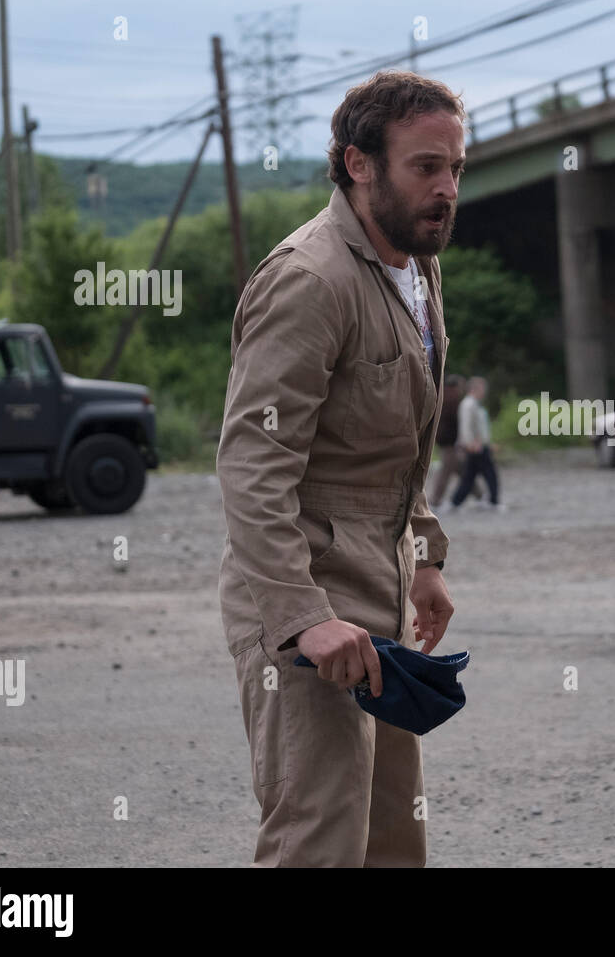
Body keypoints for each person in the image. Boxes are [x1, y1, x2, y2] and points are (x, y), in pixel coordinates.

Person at [216, 69, 463, 867]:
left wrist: (424, 555)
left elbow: (398, 437)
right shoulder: (308, 280)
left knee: (393, 837)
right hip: (306, 595)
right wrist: (300, 617)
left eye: (456, 167)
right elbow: (252, 468)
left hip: (383, 585)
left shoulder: (414, 268)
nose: (447, 189)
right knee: (319, 839)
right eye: (426, 167)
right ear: (359, 164)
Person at [449, 376, 500, 510]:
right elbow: (466, 426)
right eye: (482, 388)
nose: (484, 392)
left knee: (469, 476)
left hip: (479, 446)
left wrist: (487, 443)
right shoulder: (468, 404)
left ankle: (455, 502)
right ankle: (494, 501)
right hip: (475, 447)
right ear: (475, 389)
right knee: (490, 474)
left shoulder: (475, 404)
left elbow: (480, 428)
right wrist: (470, 443)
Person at [427, 373, 466, 508]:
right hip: (449, 441)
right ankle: (435, 500)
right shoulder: (454, 399)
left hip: (442, 439)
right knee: (446, 471)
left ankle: (479, 493)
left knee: (459, 468)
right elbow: (458, 421)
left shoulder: (442, 395)